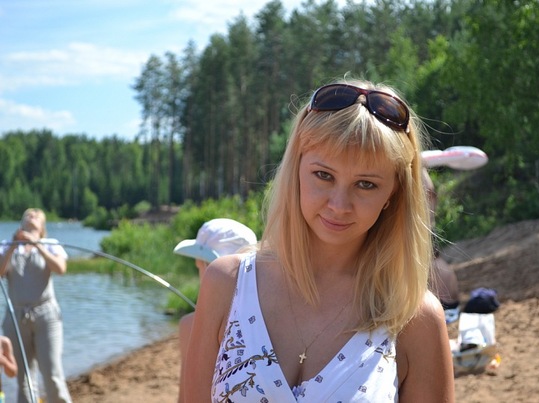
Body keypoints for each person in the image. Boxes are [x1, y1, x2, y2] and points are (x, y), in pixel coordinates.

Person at [183, 79, 454, 402]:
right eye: (324, 175)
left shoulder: (415, 318)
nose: (339, 205)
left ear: (393, 194)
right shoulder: (227, 284)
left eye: (366, 184)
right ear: (296, 168)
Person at [173, 218, 258, 403]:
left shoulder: (189, 325)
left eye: (198, 266)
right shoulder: (270, 320)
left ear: (208, 267)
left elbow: (185, 398)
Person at [0, 208, 72, 403]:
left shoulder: (51, 244)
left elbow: (60, 268)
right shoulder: (7, 246)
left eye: (36, 216)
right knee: (24, 380)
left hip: (46, 316)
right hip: (16, 318)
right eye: (28, 215)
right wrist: (13, 246)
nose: (31, 216)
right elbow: (0, 272)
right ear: (21, 223)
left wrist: (37, 245)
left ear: (42, 226)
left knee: (53, 375)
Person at [422, 167, 460, 322]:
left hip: (423, 228)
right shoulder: (422, 174)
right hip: (426, 228)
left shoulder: (420, 174)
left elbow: (429, 195)